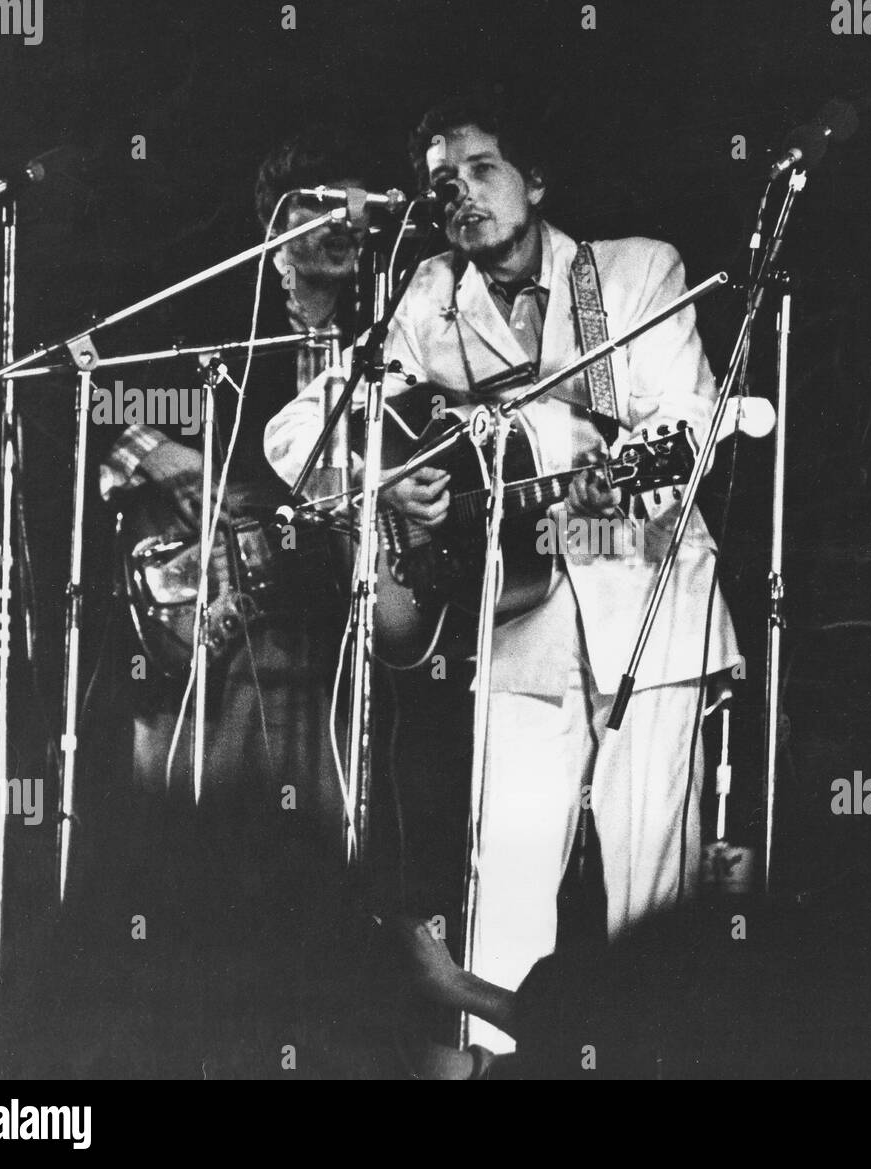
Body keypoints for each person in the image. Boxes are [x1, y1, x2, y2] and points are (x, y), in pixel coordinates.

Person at [266, 97, 740, 1053]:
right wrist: (389, 488)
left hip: (648, 597)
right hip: (518, 625)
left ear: (535, 181)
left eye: (480, 170)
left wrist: (608, 477)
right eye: (442, 182)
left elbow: (691, 421)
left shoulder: (639, 270)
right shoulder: (431, 297)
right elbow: (294, 435)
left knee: (654, 893)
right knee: (507, 891)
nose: (459, 195)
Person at [99, 128, 372, 846]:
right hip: (200, 620)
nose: (342, 220)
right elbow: (98, 396)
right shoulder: (214, 316)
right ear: (275, 224)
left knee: (309, 842)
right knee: (190, 841)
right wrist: (158, 452)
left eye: (352, 205)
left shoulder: (385, 332)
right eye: (317, 205)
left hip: (321, 628)